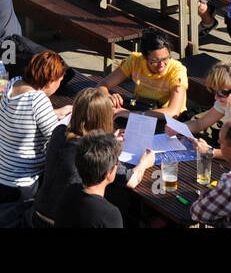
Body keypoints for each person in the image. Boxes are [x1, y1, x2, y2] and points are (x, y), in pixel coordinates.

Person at [32, 87, 155, 226]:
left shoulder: (59, 132)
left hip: (38, 212)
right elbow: (131, 180)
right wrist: (145, 163)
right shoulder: (94, 149)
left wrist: (110, 140)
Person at [0, 51, 71, 202]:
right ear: (50, 82)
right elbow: (57, 141)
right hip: (16, 187)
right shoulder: (38, 100)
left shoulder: (14, 83)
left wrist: (53, 113)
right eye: (59, 81)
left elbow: (23, 116)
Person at [99, 30, 187, 117]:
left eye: (165, 59)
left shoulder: (177, 71)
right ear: (144, 57)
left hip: (167, 119)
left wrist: (131, 114)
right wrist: (107, 96)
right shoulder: (135, 61)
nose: (161, 65)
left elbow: (173, 112)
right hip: (141, 108)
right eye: (155, 61)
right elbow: (102, 84)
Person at [53, 131, 127, 228]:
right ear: (107, 174)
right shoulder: (109, 214)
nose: (117, 164)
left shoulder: (67, 193)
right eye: (116, 162)